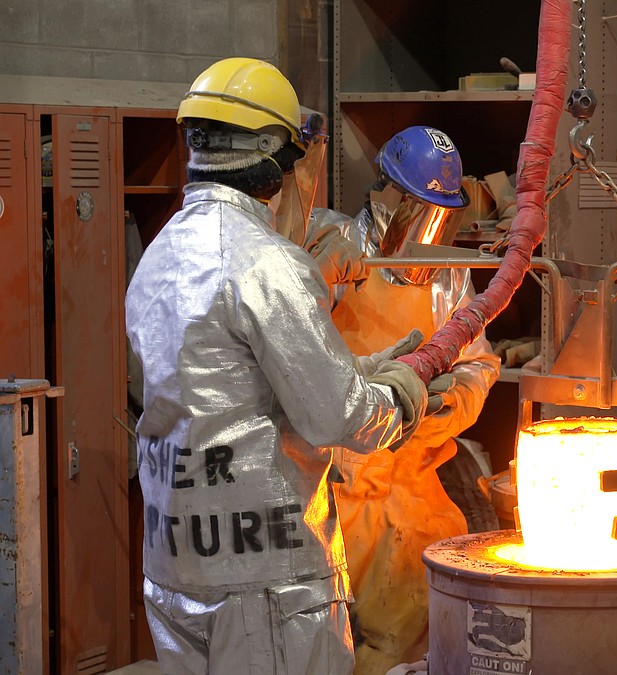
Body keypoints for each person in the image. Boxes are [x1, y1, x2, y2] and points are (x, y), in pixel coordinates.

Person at [126, 57, 428, 675]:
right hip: (266, 585)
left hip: (177, 570)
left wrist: (361, 365)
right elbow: (344, 422)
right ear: (271, 162)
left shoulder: (159, 255)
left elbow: (234, 384)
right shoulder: (267, 262)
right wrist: (403, 393)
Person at [304, 126, 501, 673]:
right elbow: (283, 341)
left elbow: (478, 361)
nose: (430, 236)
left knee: (453, 585)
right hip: (341, 478)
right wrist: (316, 278)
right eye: (422, 216)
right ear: (386, 195)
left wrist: (456, 400)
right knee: (380, 625)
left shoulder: (447, 275)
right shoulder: (328, 245)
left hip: (410, 471)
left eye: (444, 219)